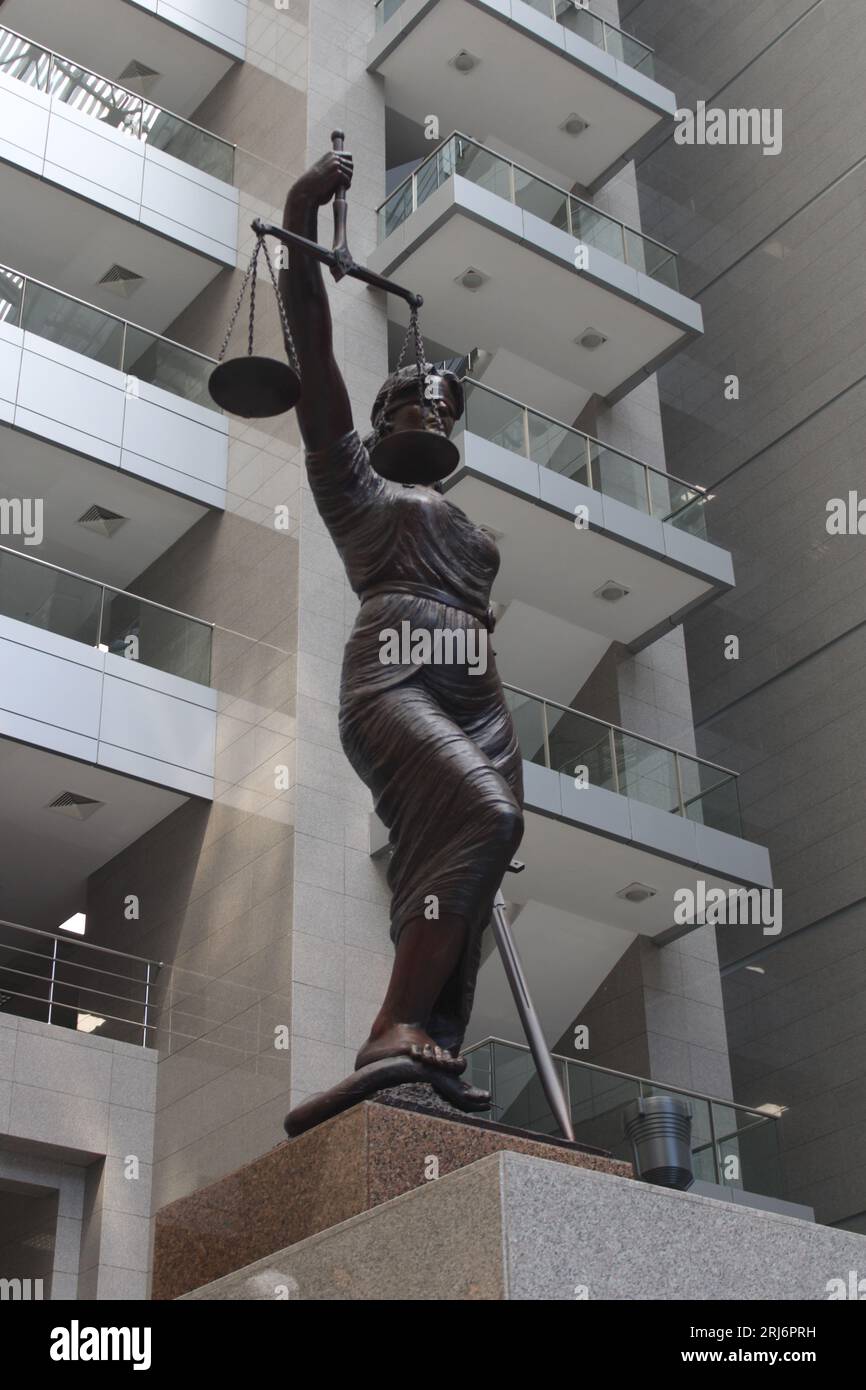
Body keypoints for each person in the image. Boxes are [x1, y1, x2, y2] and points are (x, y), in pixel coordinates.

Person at [280, 145, 524, 1077]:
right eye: (414, 400)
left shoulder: (466, 522)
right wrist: (304, 217)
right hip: (393, 681)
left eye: (445, 405)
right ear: (381, 422)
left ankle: (431, 1037)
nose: (433, 407)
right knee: (483, 817)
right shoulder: (356, 491)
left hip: (479, 699)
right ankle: (390, 1025)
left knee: (478, 848)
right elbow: (308, 342)